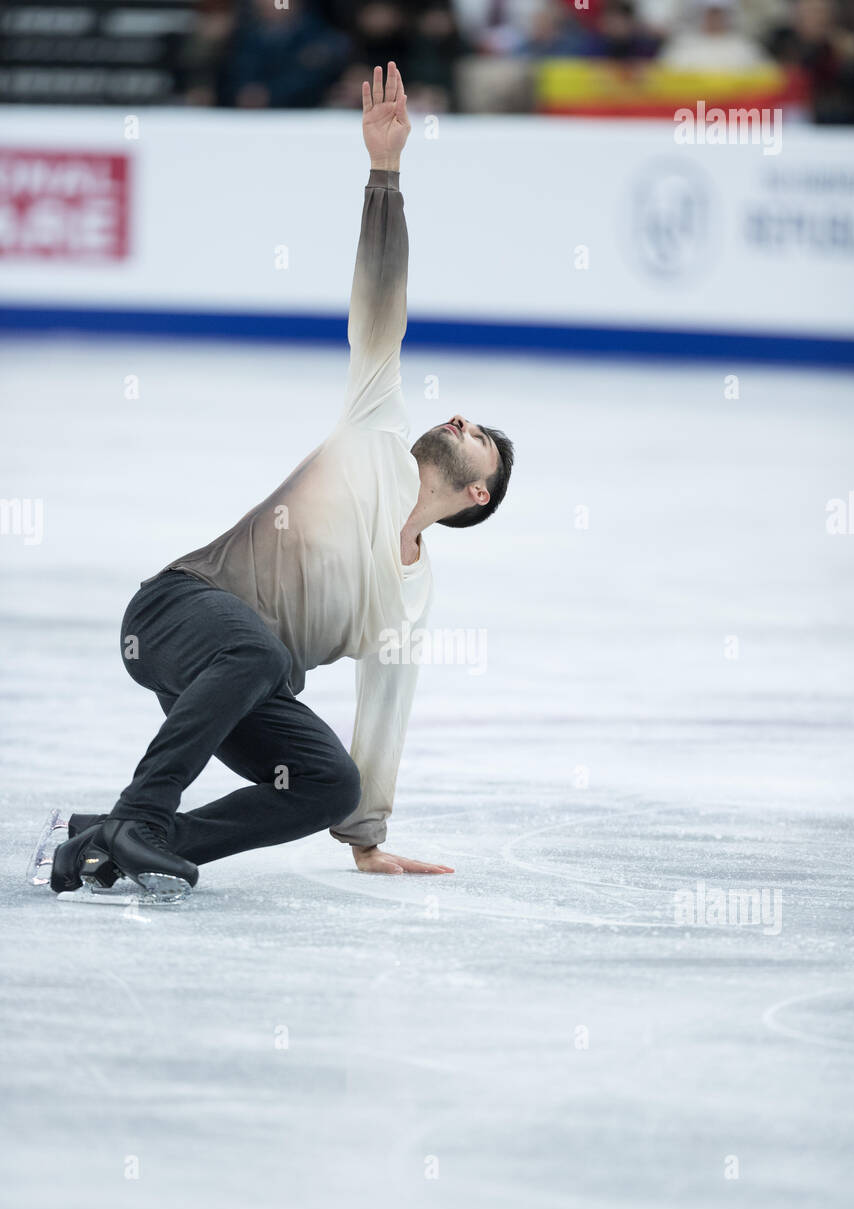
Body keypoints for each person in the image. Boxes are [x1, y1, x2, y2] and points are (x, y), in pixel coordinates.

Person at [52, 61, 515, 901]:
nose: (458, 422)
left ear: (476, 495)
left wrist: (366, 836)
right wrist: (386, 175)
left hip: (239, 678)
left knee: (327, 781)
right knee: (260, 648)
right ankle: (141, 812)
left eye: (477, 436)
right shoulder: (379, 419)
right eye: (462, 417)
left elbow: (385, 709)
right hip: (174, 613)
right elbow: (384, 298)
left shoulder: (411, 598)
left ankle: (106, 841)